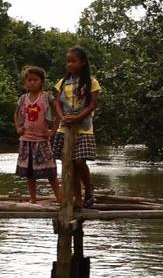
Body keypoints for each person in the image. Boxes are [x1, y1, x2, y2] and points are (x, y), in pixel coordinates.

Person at [51, 46, 101, 208]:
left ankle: (88, 189)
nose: (70, 64)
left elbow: (92, 105)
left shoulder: (91, 82)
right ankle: (77, 199)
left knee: (79, 162)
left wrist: (77, 117)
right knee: (69, 164)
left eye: (74, 61)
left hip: (83, 127)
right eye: (68, 61)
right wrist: (63, 116)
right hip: (65, 128)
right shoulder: (63, 82)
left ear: (83, 62)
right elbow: (57, 103)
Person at [14, 65, 62, 203]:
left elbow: (58, 112)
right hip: (26, 139)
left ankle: (59, 197)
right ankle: (33, 198)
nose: (32, 82)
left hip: (41, 139)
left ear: (41, 81)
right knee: (29, 172)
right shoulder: (23, 98)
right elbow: (16, 114)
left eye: (35, 80)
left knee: (50, 171)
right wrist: (18, 127)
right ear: (25, 82)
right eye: (29, 80)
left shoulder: (46, 97)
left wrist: (53, 131)